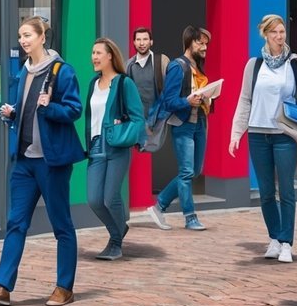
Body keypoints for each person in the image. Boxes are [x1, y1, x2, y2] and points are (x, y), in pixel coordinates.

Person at [0, 16, 84, 306]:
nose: (23, 41)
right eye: (20, 36)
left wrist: (52, 107)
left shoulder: (62, 71)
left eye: (28, 35)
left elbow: (74, 110)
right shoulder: (24, 71)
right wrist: (12, 113)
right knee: (15, 222)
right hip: (24, 160)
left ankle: (64, 287)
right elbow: (25, 109)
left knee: (61, 224)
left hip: (51, 161)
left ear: (42, 37)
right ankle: (2, 287)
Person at [229, 14, 297, 263]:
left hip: (284, 135)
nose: (280, 37)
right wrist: (237, 133)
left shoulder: (296, 64)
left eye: (282, 32)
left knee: (286, 190)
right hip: (258, 134)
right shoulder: (254, 65)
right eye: (274, 33)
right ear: (265, 35)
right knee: (266, 192)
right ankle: (275, 238)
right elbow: (244, 99)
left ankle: (287, 242)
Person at [147, 25, 214, 232]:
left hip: (200, 123)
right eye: (199, 42)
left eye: (206, 43)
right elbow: (169, 102)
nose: (204, 47)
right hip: (183, 125)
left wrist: (209, 97)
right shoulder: (178, 66)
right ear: (189, 43)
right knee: (186, 172)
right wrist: (188, 101)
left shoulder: (198, 67)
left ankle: (159, 206)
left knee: (194, 171)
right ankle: (190, 217)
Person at [84, 37, 143, 261]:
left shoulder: (123, 83)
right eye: (93, 53)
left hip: (116, 146)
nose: (94, 57)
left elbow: (138, 118)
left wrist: (122, 124)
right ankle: (119, 228)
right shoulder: (93, 83)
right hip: (96, 145)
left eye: (99, 53)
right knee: (94, 200)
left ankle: (115, 242)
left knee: (110, 198)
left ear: (110, 56)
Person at [126, 26, 170, 122]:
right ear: (134, 42)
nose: (142, 43)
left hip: (159, 119)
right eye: (138, 39)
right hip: (136, 120)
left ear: (151, 42)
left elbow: (169, 89)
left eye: (145, 39)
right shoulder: (129, 65)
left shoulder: (162, 61)